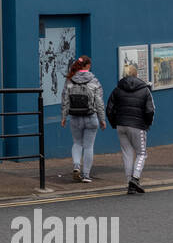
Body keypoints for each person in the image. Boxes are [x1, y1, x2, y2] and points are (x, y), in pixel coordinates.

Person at [106, 62, 154, 194]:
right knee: (142, 153)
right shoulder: (145, 90)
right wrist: (147, 124)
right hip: (138, 126)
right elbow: (150, 110)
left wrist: (114, 123)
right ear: (136, 74)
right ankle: (135, 177)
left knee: (127, 153)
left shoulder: (117, 89)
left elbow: (109, 109)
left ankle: (130, 184)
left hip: (121, 125)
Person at [60, 55, 105, 184]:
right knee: (89, 146)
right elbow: (99, 103)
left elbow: (65, 101)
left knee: (77, 143)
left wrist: (63, 117)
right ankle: (86, 175)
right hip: (91, 117)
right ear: (88, 66)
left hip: (75, 118)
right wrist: (102, 119)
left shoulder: (69, 81)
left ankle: (76, 166)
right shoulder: (94, 81)